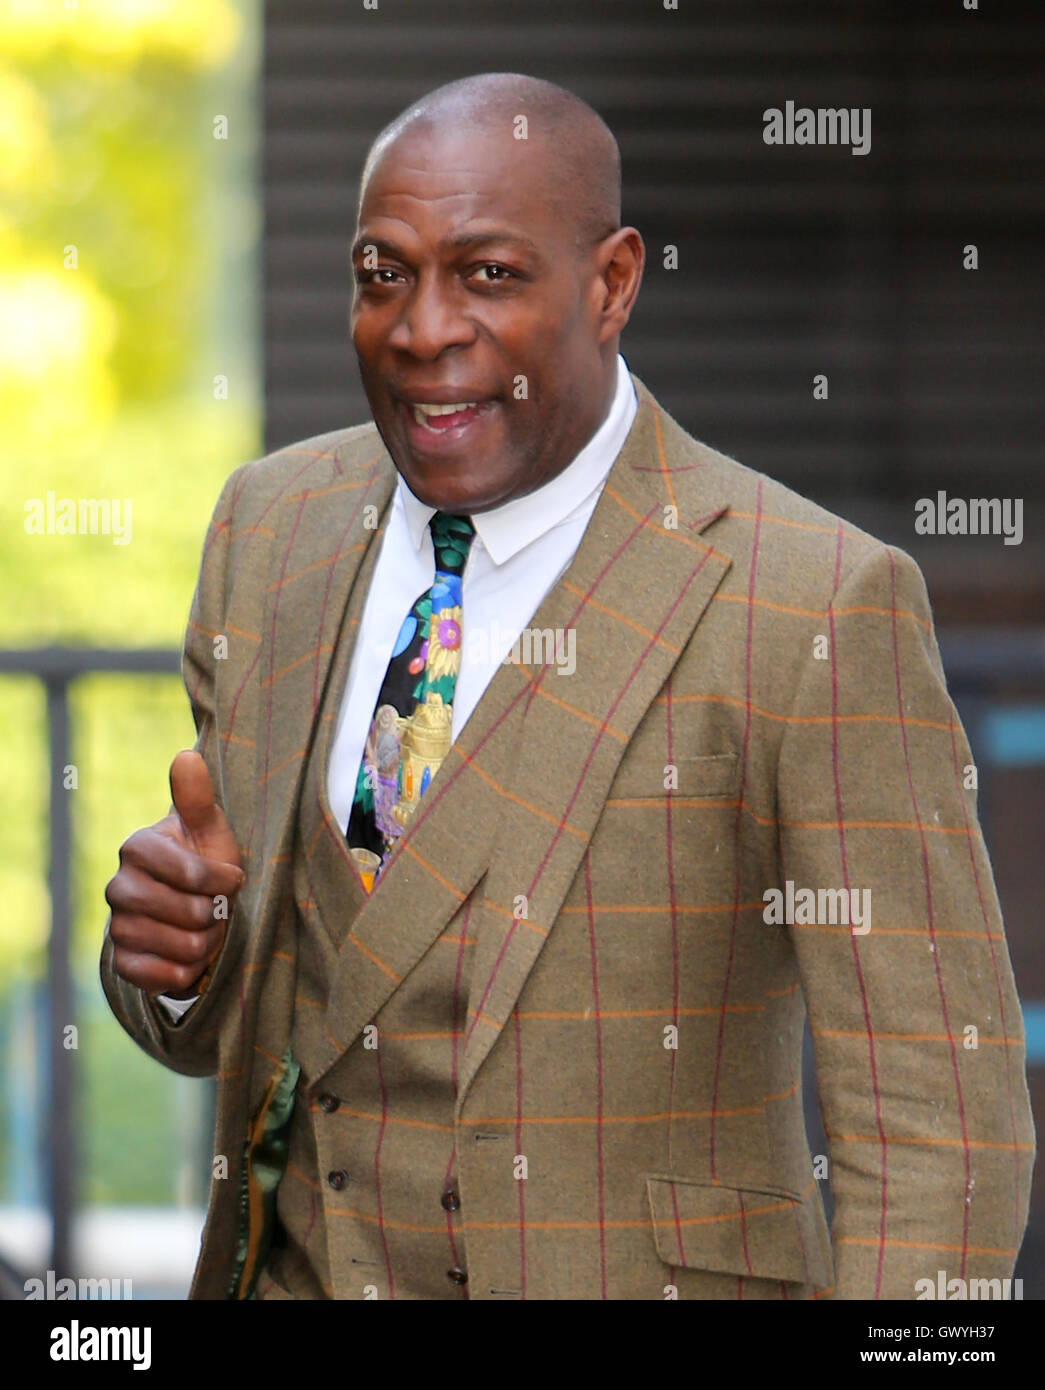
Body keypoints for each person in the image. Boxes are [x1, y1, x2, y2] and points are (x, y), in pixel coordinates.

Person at [101, 72, 1034, 1301]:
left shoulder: (812, 602)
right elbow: (273, 1015)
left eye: (487, 274)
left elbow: (939, 1126)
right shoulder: (270, 529)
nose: (423, 326)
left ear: (611, 285)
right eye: (382, 273)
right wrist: (180, 960)